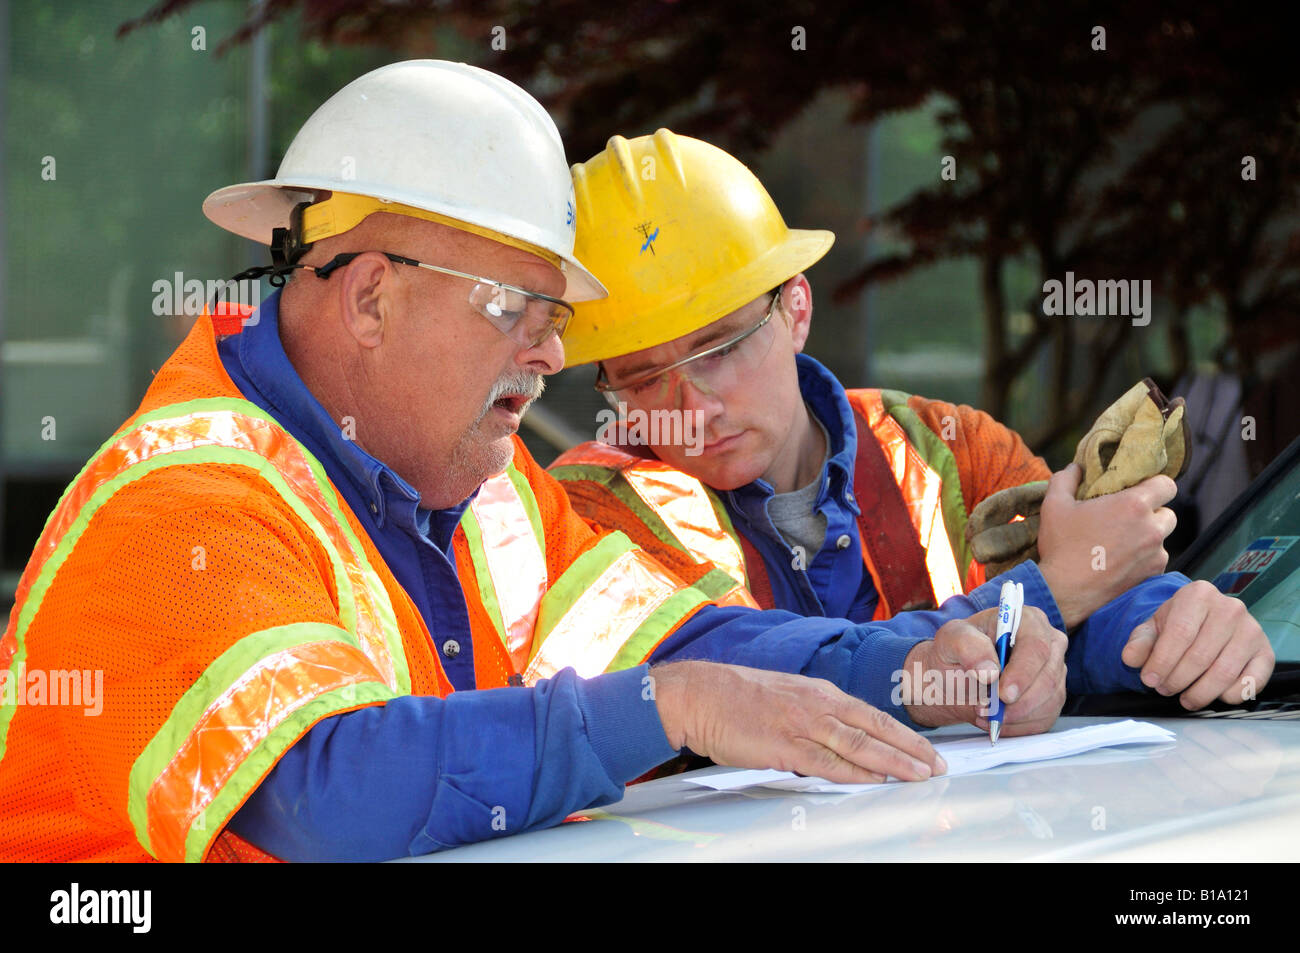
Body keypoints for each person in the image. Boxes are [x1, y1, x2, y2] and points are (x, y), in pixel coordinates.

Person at [0, 61, 1078, 863]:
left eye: (555, 317)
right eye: (516, 308)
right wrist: (667, 704)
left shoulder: (476, 485)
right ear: (370, 293)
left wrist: (922, 670)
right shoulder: (183, 499)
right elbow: (318, 788)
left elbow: (704, 642)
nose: (555, 355)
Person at [551, 129, 1274, 711]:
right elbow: (746, 678)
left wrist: (1178, 629)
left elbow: (1090, 622)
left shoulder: (949, 449)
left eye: (722, 346)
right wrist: (1050, 593)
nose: (693, 408)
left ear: (796, 309)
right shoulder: (584, 510)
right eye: (643, 376)